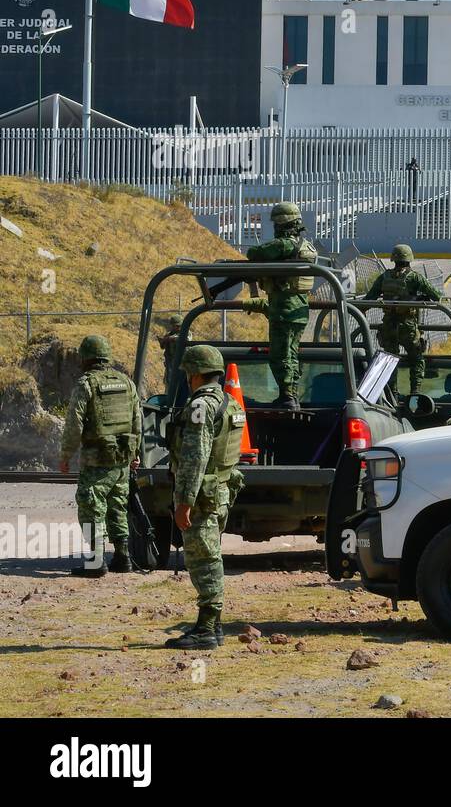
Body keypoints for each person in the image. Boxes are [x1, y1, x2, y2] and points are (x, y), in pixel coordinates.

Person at [164, 345, 246, 650]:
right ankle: (212, 626)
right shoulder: (229, 403)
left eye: (188, 374)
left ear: (196, 374)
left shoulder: (201, 406)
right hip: (219, 491)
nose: (187, 379)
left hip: (202, 496)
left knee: (204, 561)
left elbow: (196, 456)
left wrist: (184, 500)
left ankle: (207, 628)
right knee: (207, 556)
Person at [59, 335, 142, 576]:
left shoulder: (86, 384)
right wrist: (136, 453)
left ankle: (96, 563)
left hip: (96, 460)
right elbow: (137, 419)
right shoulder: (126, 382)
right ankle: (122, 557)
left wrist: (65, 455)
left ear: (85, 358)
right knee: (118, 505)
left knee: (91, 506)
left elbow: (74, 424)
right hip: (122, 459)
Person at [242, 201, 316, 409]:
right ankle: (291, 395)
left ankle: (288, 397)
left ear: (281, 224)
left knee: (280, 355)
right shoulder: (305, 246)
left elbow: (254, 253)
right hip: (298, 309)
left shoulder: (285, 245)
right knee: (290, 354)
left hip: (284, 311)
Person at [363, 244, 444, 395]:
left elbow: (369, 298)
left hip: (388, 326)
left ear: (393, 259)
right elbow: (437, 295)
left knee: (389, 360)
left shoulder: (384, 277)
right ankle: (415, 392)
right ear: (409, 259)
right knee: (417, 359)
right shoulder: (414, 277)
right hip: (408, 326)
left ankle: (392, 394)